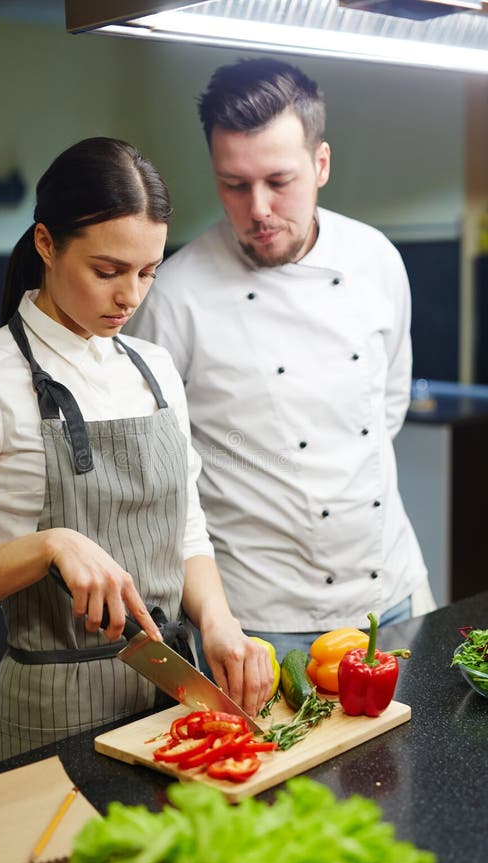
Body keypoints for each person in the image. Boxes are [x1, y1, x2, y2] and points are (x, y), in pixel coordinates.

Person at [0, 137, 272, 766]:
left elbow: (185, 531)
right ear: (46, 243)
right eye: (107, 271)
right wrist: (49, 546)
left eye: (148, 272)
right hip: (49, 724)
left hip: (173, 705)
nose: (131, 297)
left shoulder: (153, 369)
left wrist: (220, 624)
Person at [126, 57, 435, 661]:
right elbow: (156, 466)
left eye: (279, 180)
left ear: (321, 164)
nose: (259, 209)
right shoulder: (174, 294)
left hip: (391, 593)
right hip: (258, 622)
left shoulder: (376, 260)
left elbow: (389, 404)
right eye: (234, 185)